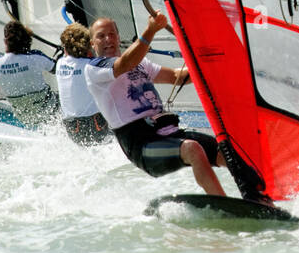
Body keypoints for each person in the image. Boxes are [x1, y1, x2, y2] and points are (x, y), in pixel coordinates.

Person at [84, 13, 255, 200]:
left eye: (112, 34)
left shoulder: (140, 63)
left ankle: (257, 198)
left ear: (118, 37)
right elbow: (125, 63)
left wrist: (213, 65)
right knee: (193, 149)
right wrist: (150, 31)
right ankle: (226, 206)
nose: (108, 39)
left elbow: (176, 77)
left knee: (229, 152)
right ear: (93, 43)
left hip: (168, 132)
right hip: (141, 144)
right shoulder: (94, 69)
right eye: (101, 35)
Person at [0, 21, 58, 127]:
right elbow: (56, 69)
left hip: (25, 117)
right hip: (49, 110)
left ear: (5, 42)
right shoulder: (35, 57)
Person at [55, 23, 112, 145]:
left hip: (72, 129)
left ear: (65, 48)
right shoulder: (92, 66)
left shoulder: (59, 63)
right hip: (96, 126)